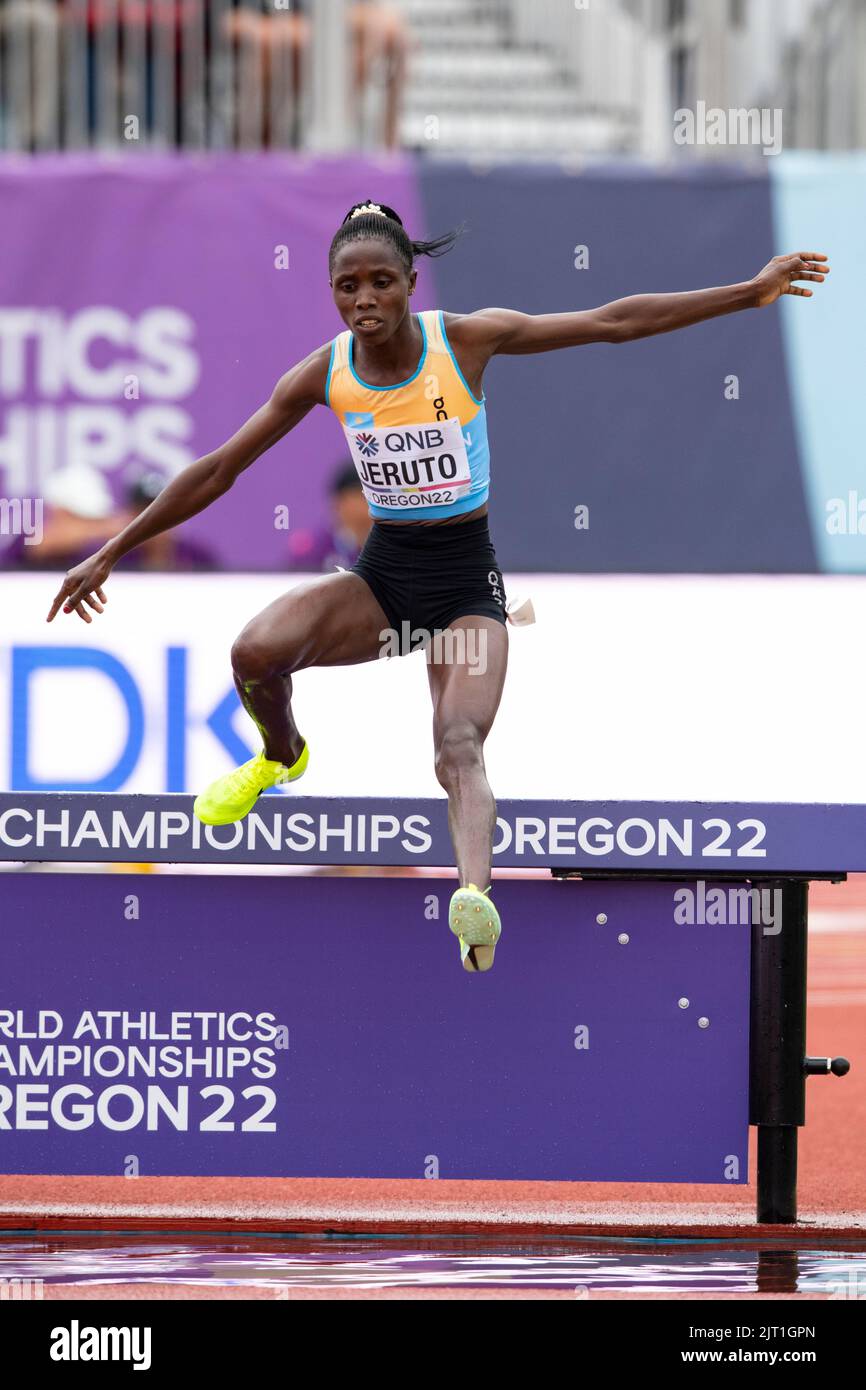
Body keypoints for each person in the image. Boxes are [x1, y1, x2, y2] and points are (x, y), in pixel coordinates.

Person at [47, 201, 829, 971]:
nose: (364, 300)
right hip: (383, 581)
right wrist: (110, 551)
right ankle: (282, 756)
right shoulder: (324, 374)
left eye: (381, 282)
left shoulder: (466, 341)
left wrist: (748, 292)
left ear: (411, 284)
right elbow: (220, 468)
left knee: (457, 744)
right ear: (332, 291)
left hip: (465, 588)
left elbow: (612, 321)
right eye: (348, 286)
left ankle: (473, 899)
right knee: (254, 653)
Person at [286, 461, 372, 571]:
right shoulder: (314, 549)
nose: (367, 503)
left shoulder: (388, 545)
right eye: (360, 496)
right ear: (338, 502)